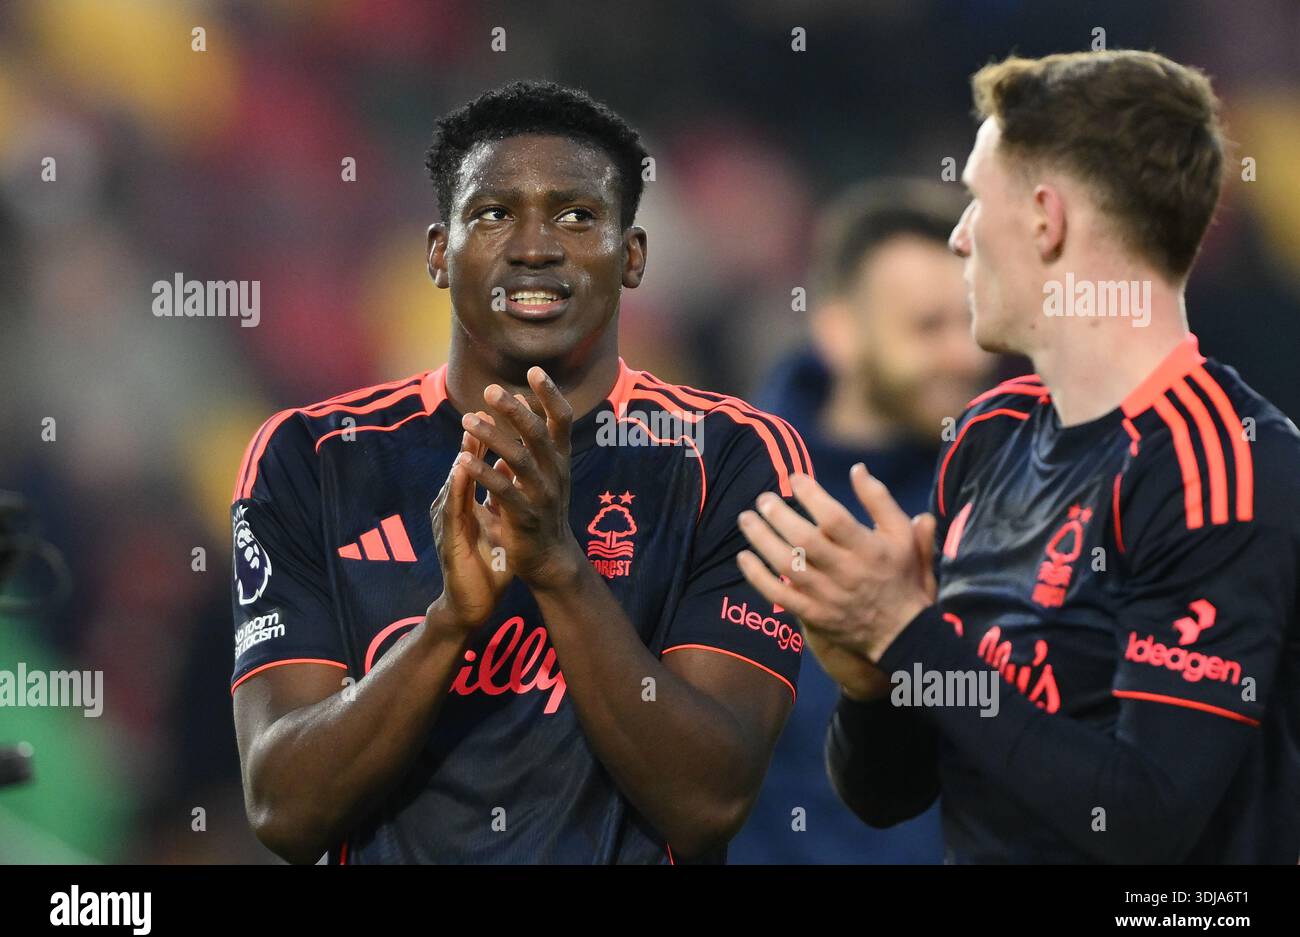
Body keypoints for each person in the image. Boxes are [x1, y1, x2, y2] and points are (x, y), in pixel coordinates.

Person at [737, 50, 1300, 863]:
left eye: (976, 198)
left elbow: (1142, 818)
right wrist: (875, 681)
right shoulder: (988, 435)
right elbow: (891, 794)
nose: (960, 236)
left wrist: (906, 635)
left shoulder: (1220, 467)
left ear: (1045, 219)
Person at [229, 80, 810, 864]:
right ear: (439, 253)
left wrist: (558, 570)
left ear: (633, 256)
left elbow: (708, 802)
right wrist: (449, 623)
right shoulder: (312, 457)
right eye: (494, 214)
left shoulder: (734, 458)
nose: (535, 246)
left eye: (577, 216)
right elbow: (284, 809)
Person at [729, 181, 993, 863]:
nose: (968, 355)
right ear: (840, 333)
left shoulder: (1004, 495)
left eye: (971, 322)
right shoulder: (723, 491)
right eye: (929, 327)